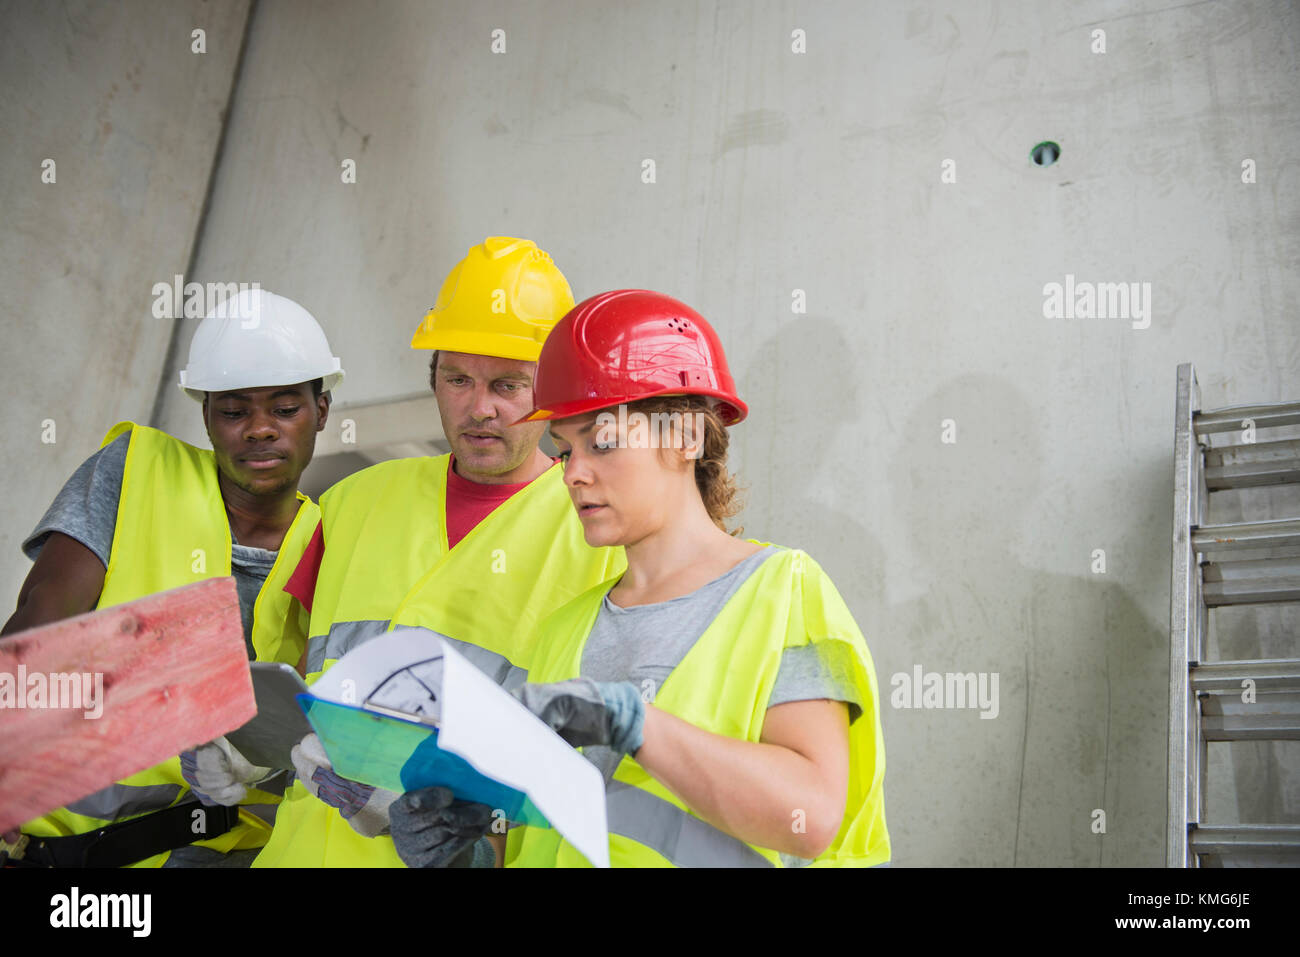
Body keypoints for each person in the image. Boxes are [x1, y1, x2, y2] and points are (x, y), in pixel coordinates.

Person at [391, 289, 890, 867]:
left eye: (601, 442)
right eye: (564, 448)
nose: (573, 473)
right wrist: (468, 853)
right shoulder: (563, 631)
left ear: (687, 437)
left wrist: (632, 720)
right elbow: (545, 837)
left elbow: (809, 815)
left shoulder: (783, 592)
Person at [252, 237, 626, 868]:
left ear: (554, 393)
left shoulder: (600, 541)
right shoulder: (349, 504)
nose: (481, 408)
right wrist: (240, 748)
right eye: (458, 379)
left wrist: (479, 847)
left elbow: (599, 771)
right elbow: (276, 681)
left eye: (509, 385)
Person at [1, 288, 342, 867]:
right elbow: (37, 628)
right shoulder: (137, 472)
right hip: (49, 851)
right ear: (206, 413)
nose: (260, 429)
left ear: (323, 412)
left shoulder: (336, 543)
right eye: (234, 411)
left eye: (285, 409)